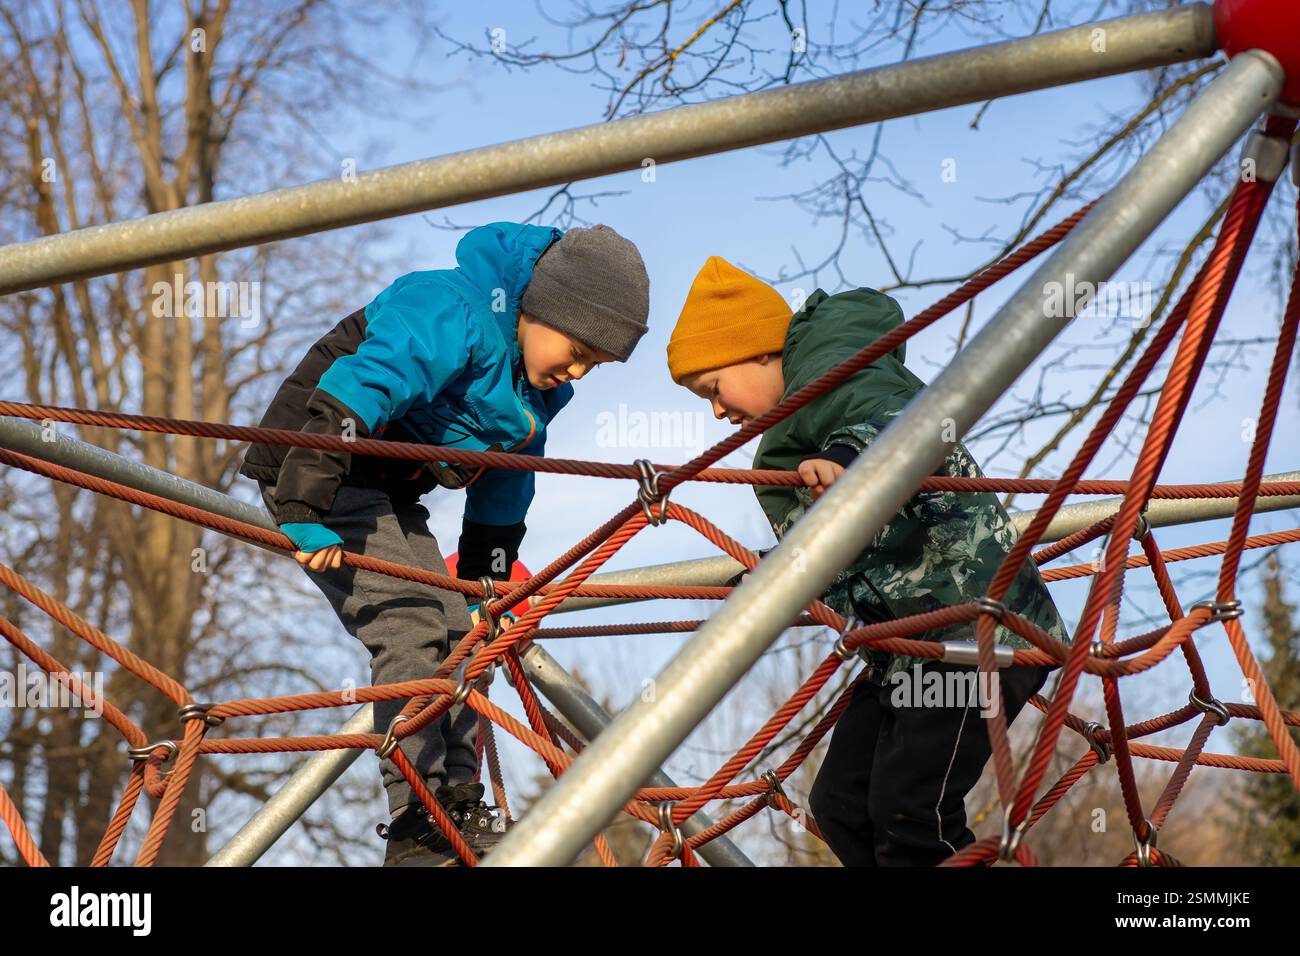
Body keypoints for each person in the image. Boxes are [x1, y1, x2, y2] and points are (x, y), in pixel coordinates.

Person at [240, 222, 650, 865]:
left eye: (593, 365)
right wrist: (303, 500)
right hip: (316, 465)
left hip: (389, 493)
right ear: (542, 309)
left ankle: (456, 802)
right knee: (406, 623)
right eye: (576, 349)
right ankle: (415, 820)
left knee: (459, 631)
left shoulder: (532, 392)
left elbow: (506, 485)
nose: (576, 371)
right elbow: (362, 385)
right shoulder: (451, 307)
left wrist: (489, 578)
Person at [666, 256, 1067, 866]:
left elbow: (898, 423)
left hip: (978, 636)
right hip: (901, 652)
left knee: (914, 814)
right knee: (843, 806)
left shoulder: (839, 373)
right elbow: (844, 559)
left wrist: (848, 456)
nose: (717, 412)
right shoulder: (792, 438)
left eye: (712, 390)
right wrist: (772, 573)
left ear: (761, 354)